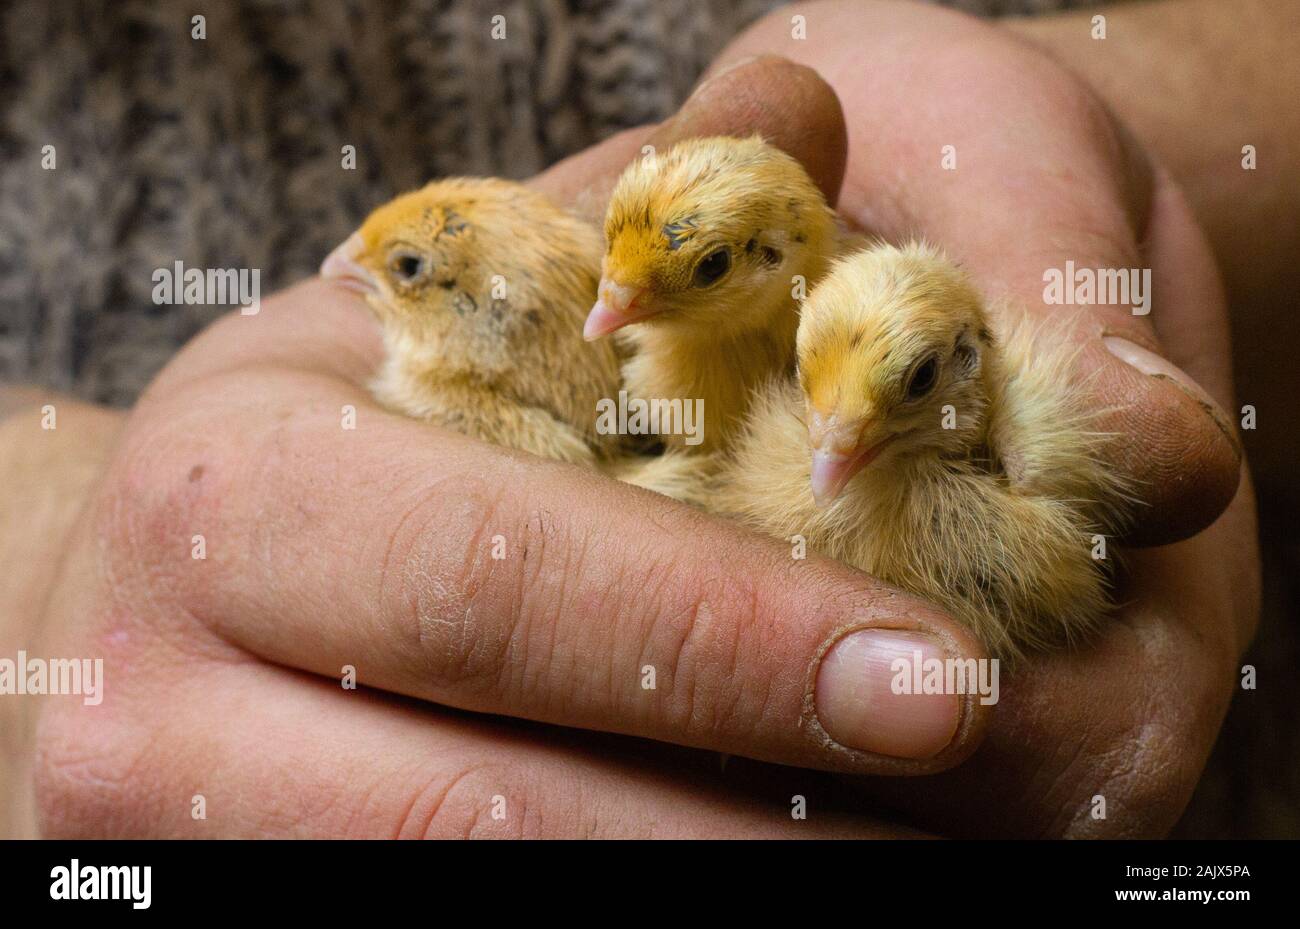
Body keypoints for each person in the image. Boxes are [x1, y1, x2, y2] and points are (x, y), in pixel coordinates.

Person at [1, 0, 1292, 837]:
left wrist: (1129, 178)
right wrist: (47, 545)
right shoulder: (647, 388)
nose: (615, 318)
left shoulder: (837, 400)